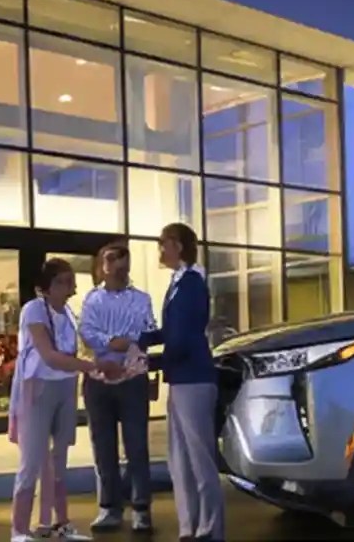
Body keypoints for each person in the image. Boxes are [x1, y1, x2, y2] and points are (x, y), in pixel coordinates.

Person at [8, 258, 120, 542]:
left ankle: (58, 523)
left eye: (70, 280)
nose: (69, 285)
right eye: (61, 280)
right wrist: (91, 366)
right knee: (32, 459)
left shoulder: (69, 313)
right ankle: (19, 530)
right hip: (38, 386)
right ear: (47, 286)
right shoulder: (34, 309)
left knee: (59, 459)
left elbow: (72, 353)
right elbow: (49, 356)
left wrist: (98, 363)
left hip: (65, 386)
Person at [138, 223, 225, 542]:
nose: (160, 249)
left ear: (178, 245)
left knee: (200, 459)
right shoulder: (178, 282)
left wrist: (151, 361)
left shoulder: (192, 283)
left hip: (194, 378)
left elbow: (185, 337)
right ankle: (189, 527)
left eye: (164, 243)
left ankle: (210, 529)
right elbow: (171, 330)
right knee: (179, 459)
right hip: (180, 379)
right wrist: (142, 339)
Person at [78, 240, 158, 532]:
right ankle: (109, 508)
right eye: (111, 263)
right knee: (103, 447)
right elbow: (86, 331)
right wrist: (113, 342)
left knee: (137, 445)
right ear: (102, 266)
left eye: (122, 263)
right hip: (98, 380)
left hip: (133, 378)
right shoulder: (91, 300)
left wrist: (124, 343)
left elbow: (148, 330)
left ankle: (141, 509)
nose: (117, 269)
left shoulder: (142, 299)